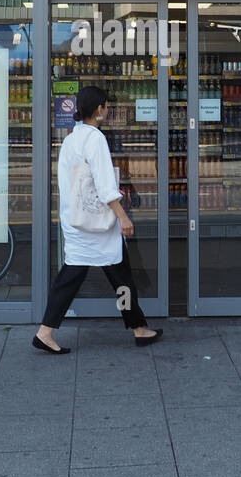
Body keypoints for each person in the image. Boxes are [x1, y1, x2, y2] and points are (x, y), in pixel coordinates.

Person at [34, 86, 160, 354]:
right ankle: (138, 328)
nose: (107, 109)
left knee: (74, 276)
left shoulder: (71, 139)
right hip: (97, 224)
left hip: (76, 220)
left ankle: (47, 331)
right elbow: (104, 185)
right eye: (106, 105)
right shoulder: (95, 139)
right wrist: (122, 216)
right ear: (99, 109)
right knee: (120, 277)